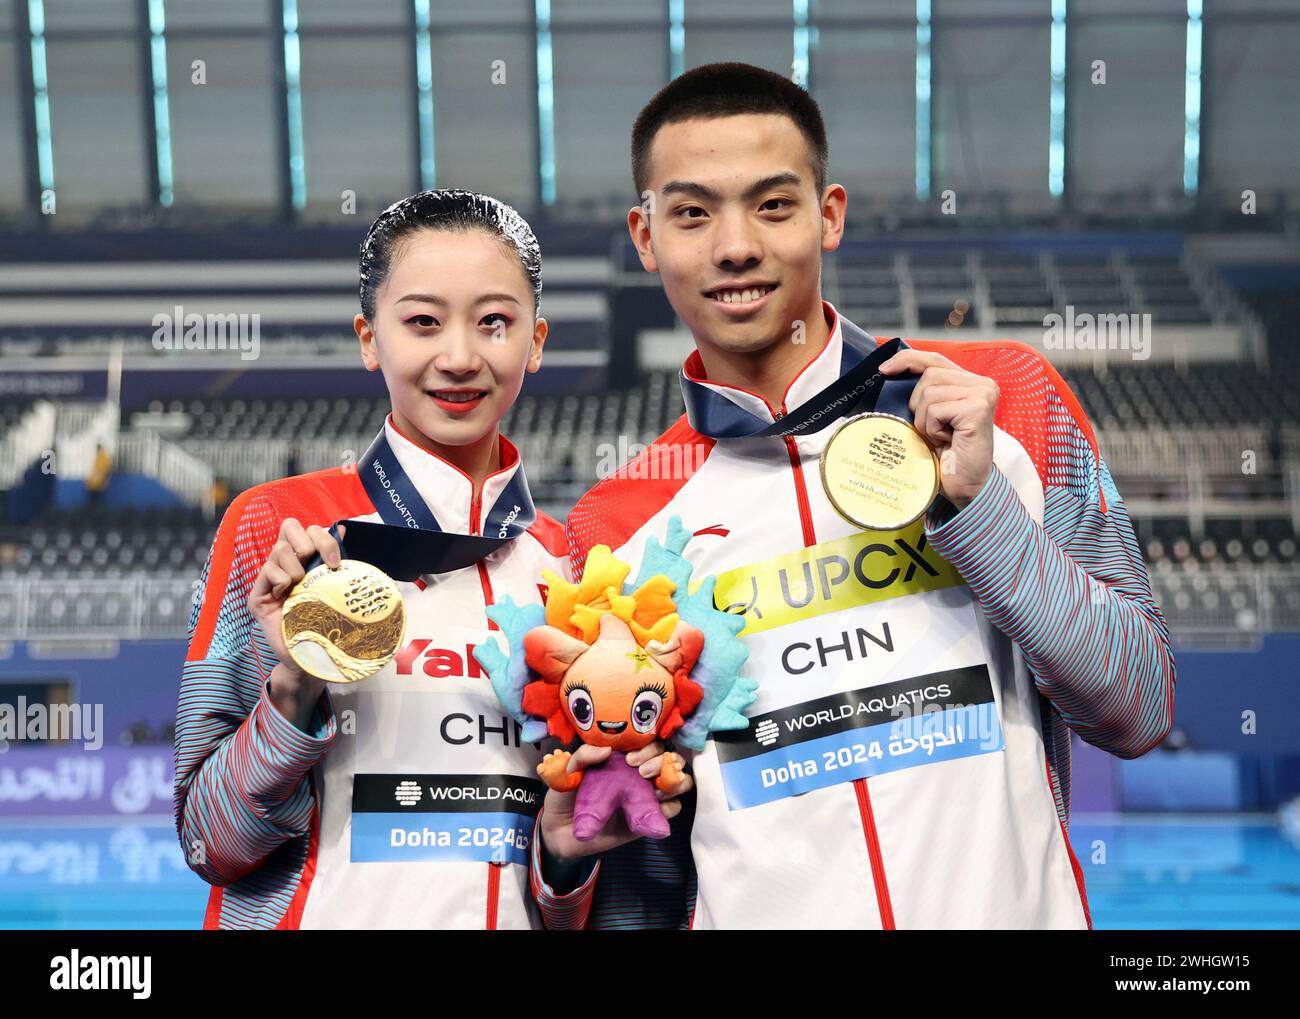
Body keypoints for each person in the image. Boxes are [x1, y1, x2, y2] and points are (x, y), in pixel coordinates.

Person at [533, 63, 1175, 929]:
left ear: (827, 215)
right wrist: (558, 872)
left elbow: (1137, 706)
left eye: (772, 204)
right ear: (645, 237)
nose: (734, 247)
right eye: (692, 213)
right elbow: (638, 861)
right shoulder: (618, 522)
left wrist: (978, 511)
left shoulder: (1006, 398)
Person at [173, 189, 687, 928]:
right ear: (368, 338)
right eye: (422, 321)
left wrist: (563, 854)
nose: (459, 356)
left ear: (536, 342)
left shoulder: (575, 570)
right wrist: (295, 688)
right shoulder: (278, 530)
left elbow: (563, 898)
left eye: (494, 323)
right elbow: (208, 841)